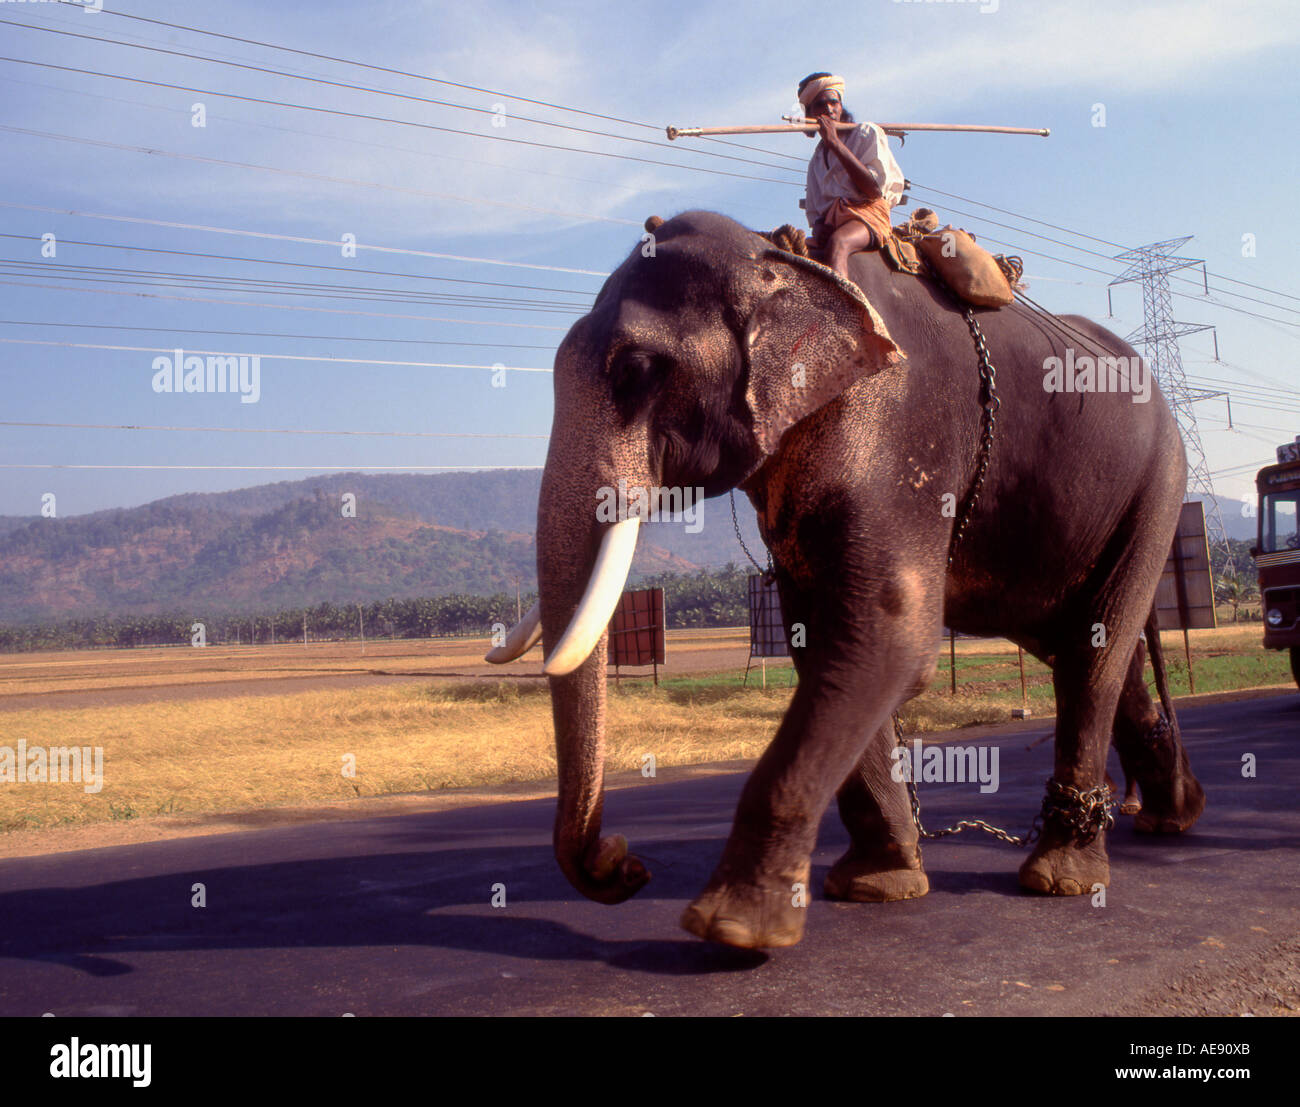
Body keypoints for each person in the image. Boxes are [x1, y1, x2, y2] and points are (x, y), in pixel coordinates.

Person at [798, 72, 905, 280]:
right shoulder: (816, 162)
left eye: (833, 102)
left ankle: (842, 311)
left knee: (839, 243)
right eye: (820, 105)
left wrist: (835, 144)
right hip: (833, 223)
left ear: (841, 105)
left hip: (868, 215)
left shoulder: (866, 133)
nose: (829, 109)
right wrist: (820, 228)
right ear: (810, 114)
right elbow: (815, 214)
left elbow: (873, 189)